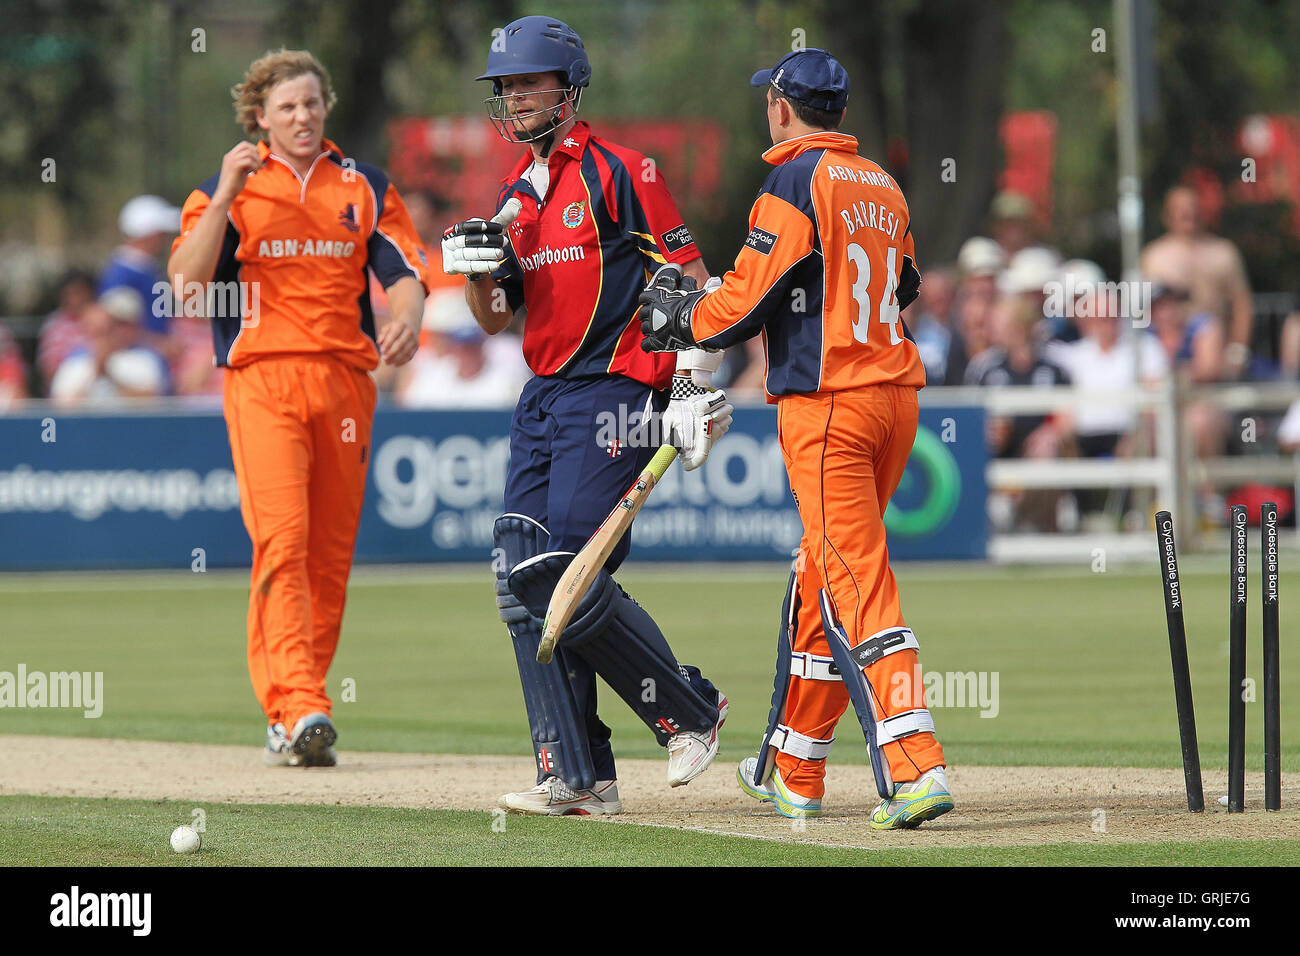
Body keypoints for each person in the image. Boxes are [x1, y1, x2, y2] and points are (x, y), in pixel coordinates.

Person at [638, 48, 952, 829]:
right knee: (824, 570)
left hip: (830, 405)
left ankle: (917, 766)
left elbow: (746, 302)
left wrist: (682, 318)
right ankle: (795, 767)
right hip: (894, 396)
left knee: (855, 582)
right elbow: (903, 284)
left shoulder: (792, 177)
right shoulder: (880, 180)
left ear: (782, 106)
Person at [443, 15, 733, 815]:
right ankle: (576, 774)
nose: (515, 99)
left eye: (530, 83)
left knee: (565, 569)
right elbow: (497, 319)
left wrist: (689, 385)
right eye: (506, 87)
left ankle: (689, 711)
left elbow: (694, 280)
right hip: (542, 393)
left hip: (614, 390)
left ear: (569, 90)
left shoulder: (623, 170)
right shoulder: (515, 196)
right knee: (518, 581)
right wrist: (477, 273)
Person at [167, 49, 429, 768]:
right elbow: (186, 285)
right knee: (281, 542)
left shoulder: (365, 185)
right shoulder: (231, 188)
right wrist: (223, 194)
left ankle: (296, 711)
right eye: (286, 107)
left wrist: (406, 317)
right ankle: (299, 704)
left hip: (347, 383)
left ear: (326, 106)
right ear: (260, 116)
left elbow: (404, 273)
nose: (302, 116)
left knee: (329, 557)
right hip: (262, 381)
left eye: (311, 103)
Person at [1140, 185, 1253, 378]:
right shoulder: (1154, 256)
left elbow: (1242, 303)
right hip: (1169, 354)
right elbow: (1142, 310)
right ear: (1168, 215)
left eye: (1192, 206)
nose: (1187, 213)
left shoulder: (1223, 252)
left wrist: (1238, 350)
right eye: (1180, 208)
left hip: (1216, 352)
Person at [48, 288, 170, 407]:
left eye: (122, 324)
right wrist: (96, 373)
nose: (118, 331)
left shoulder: (147, 359)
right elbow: (61, 408)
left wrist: (109, 374)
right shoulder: (74, 361)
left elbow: (152, 404)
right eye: (113, 323)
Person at [100, 195, 184, 362]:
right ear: (149, 235)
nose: (165, 239)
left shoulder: (145, 268)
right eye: (161, 233)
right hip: (136, 359)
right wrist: (159, 344)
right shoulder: (121, 274)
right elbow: (116, 326)